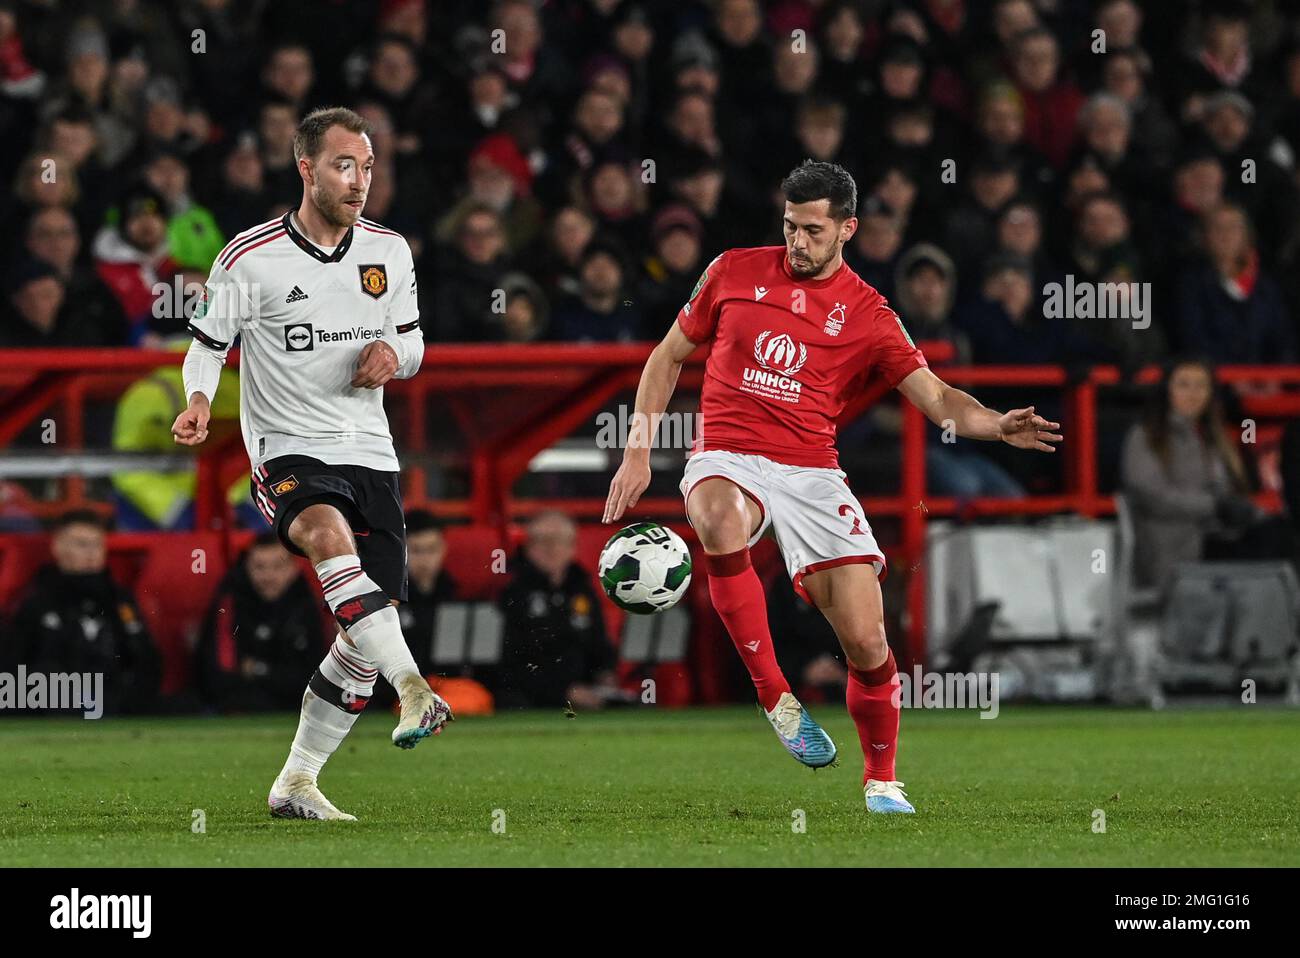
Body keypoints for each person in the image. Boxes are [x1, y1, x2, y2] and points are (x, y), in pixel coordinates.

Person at [603, 160, 1062, 814]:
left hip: (812, 472)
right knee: (716, 517)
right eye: (790, 226)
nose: (798, 242)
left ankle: (881, 780)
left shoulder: (871, 313)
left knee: (869, 642)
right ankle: (775, 698)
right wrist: (638, 451)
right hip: (728, 451)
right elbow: (666, 356)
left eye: (814, 230)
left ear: (847, 228)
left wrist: (994, 423)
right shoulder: (731, 270)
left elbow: (935, 397)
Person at [171, 107, 451, 822]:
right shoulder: (249, 256)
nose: (359, 181)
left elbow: (415, 343)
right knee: (328, 537)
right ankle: (415, 685)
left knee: (363, 635)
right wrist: (199, 400)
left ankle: (297, 781)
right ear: (305, 167)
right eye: (343, 166)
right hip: (287, 447)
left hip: (370, 449)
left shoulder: (389, 251)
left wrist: (397, 356)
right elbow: (207, 343)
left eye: (367, 167)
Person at [1120, 358, 1280, 589]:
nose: (1193, 394)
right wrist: (1213, 506)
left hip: (1214, 539)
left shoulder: (1212, 436)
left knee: (1274, 536)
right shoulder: (1145, 436)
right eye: (1184, 385)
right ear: (1166, 390)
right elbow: (1151, 496)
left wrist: (1246, 511)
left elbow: (1223, 490)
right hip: (1166, 543)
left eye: (1201, 386)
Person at [4, 510, 160, 716]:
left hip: (114, 705)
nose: (91, 553)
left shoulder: (120, 601)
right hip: (52, 707)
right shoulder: (36, 602)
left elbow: (145, 657)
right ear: (58, 547)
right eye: (82, 544)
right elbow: (14, 665)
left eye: (97, 545)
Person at [497, 511, 620, 711]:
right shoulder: (512, 592)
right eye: (543, 541)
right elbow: (510, 663)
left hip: (586, 692)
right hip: (530, 696)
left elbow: (599, 642)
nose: (552, 548)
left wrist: (605, 674)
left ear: (573, 547)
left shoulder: (583, 589)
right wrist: (563, 692)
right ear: (528, 546)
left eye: (560, 541)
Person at [196, 534, 330, 712]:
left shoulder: (308, 604)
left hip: (298, 706)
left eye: (277, 567)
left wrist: (257, 670)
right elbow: (219, 675)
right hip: (238, 707)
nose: (268, 576)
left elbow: (314, 677)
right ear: (247, 568)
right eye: (259, 567)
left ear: (293, 569)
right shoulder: (230, 602)